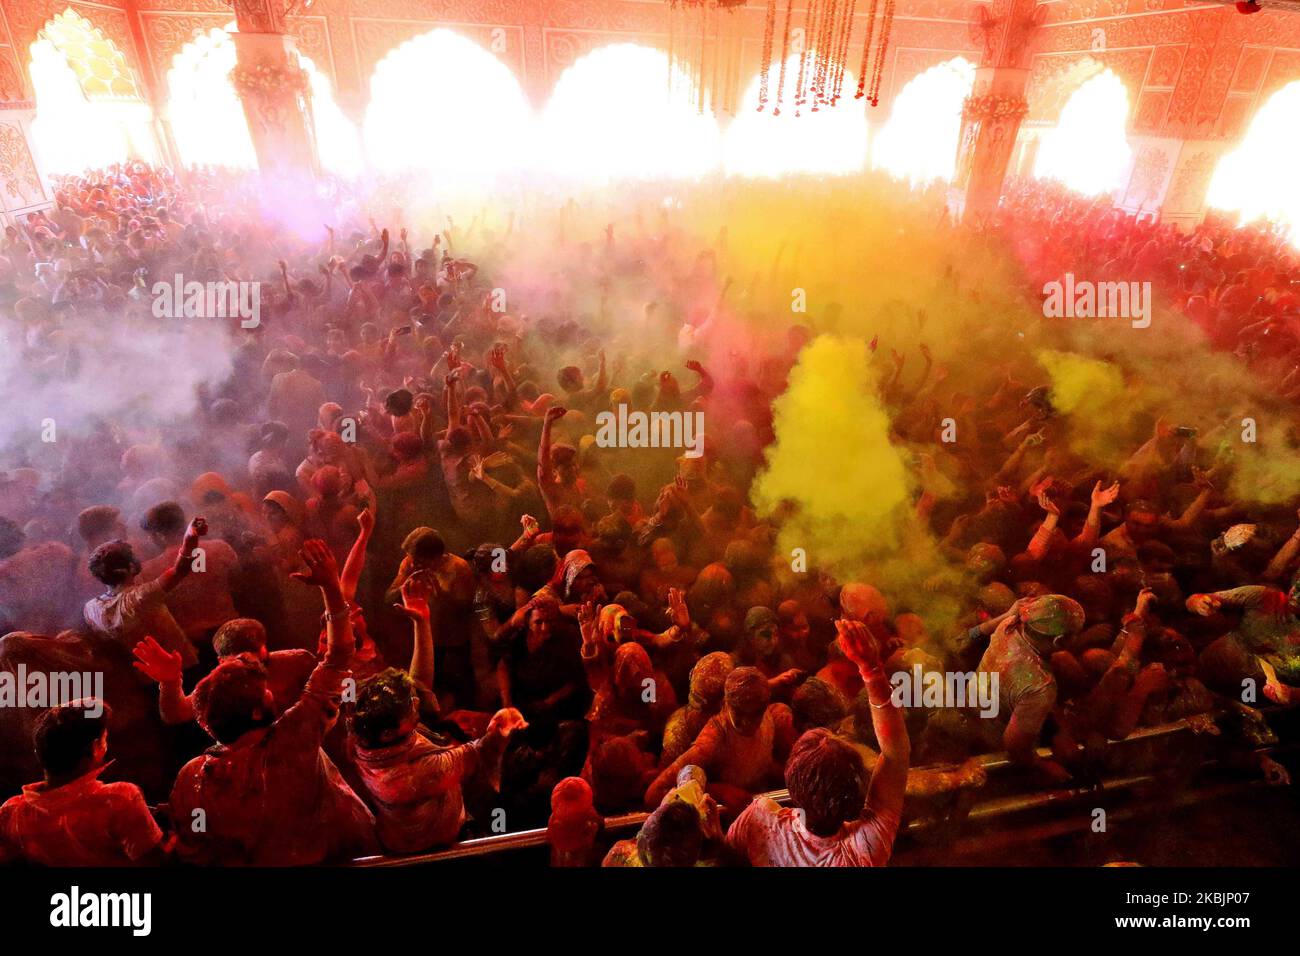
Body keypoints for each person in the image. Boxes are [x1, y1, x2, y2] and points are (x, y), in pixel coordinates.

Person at [169, 539, 378, 865]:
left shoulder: (192, 774)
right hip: (334, 855)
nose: (272, 693)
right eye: (263, 691)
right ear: (255, 710)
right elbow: (339, 657)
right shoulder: (294, 739)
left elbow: (195, 847)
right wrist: (330, 587)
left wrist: (169, 681)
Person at [726, 619, 909, 866]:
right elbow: (896, 752)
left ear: (790, 777)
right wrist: (871, 669)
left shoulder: (760, 821)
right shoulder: (865, 846)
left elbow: (727, 854)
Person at [0, 699, 165, 866]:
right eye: (105, 738)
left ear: (38, 751)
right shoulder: (119, 798)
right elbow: (155, 862)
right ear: (95, 747)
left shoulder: (10, 812)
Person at [82, 516, 208, 670]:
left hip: (142, 678)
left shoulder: (90, 608)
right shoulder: (140, 598)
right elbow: (179, 571)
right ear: (128, 567)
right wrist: (190, 537)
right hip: (180, 670)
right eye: (132, 557)